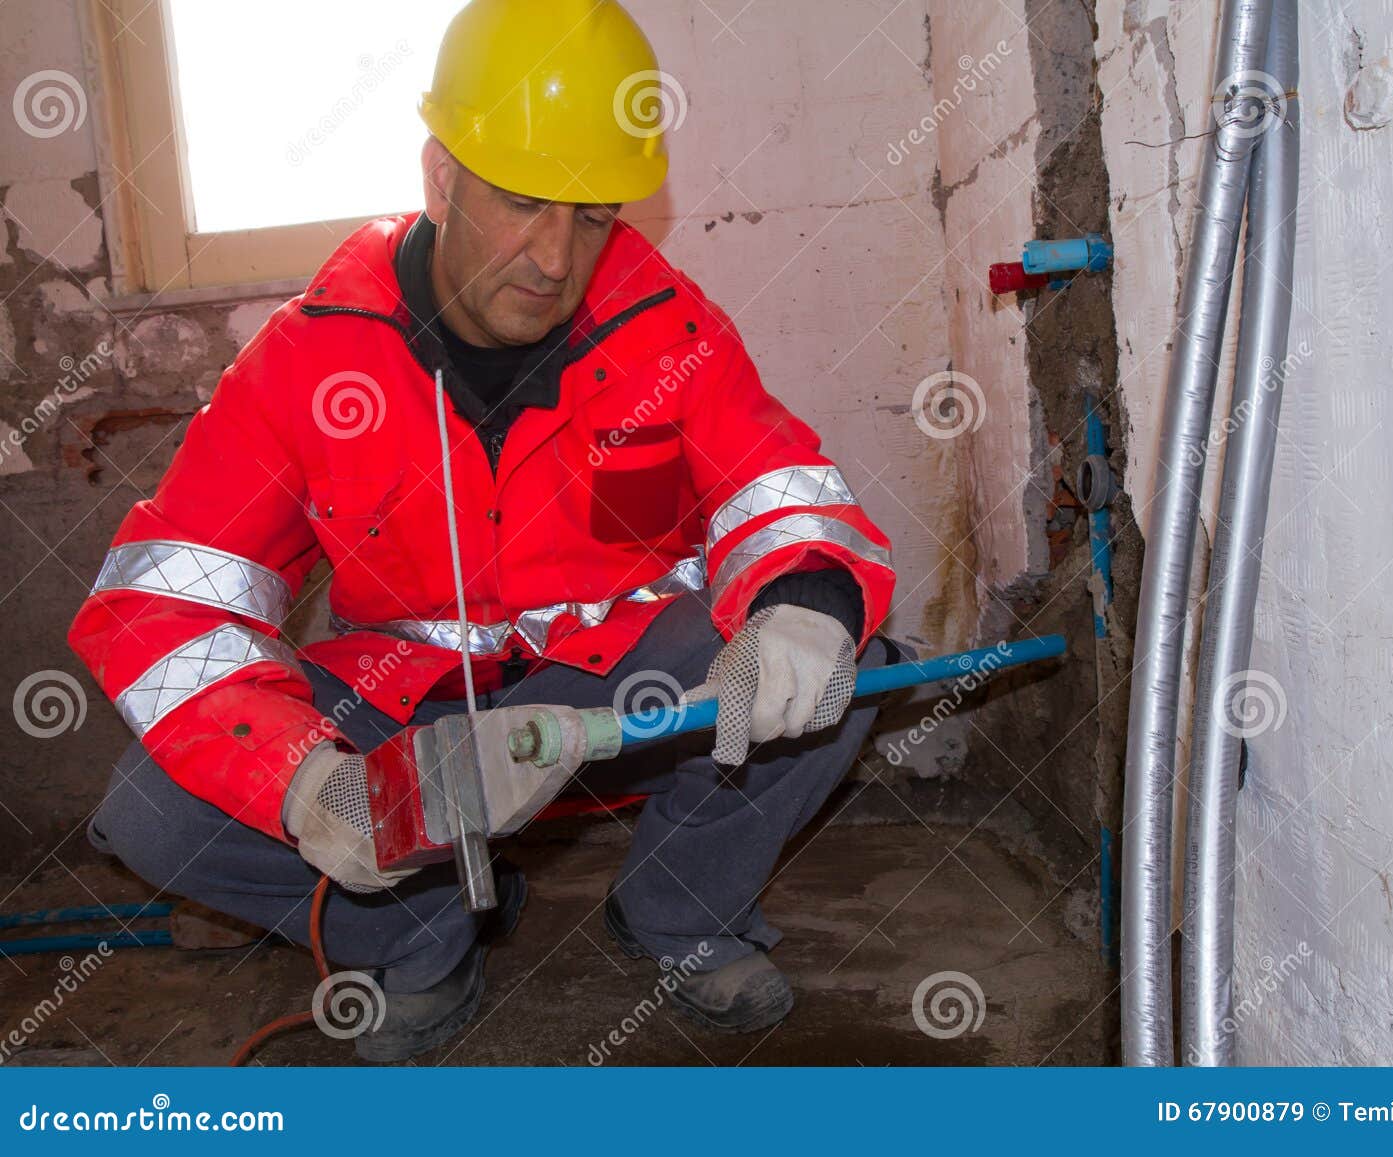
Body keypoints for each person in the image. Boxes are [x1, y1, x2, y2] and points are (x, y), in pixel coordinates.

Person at [69, 0, 895, 1062]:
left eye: (591, 215)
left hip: (615, 689)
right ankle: (422, 933)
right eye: (522, 201)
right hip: (405, 709)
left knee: (844, 669)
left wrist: (803, 602)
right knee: (156, 810)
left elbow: (774, 485)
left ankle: (681, 912)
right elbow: (167, 604)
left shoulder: (665, 329)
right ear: (440, 177)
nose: (555, 257)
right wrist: (304, 781)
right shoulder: (306, 361)